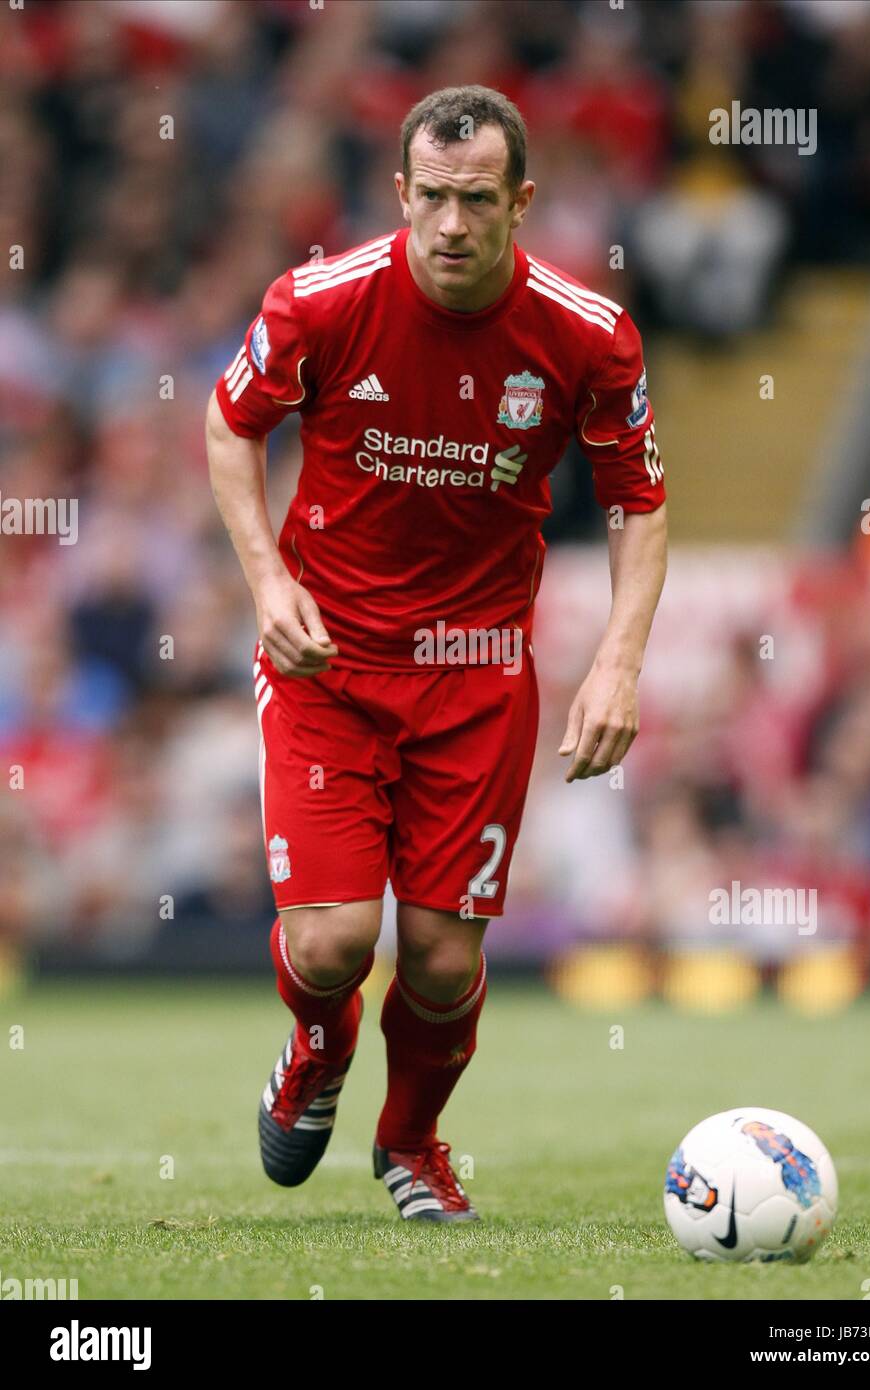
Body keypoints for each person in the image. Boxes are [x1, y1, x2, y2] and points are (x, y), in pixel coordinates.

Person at [205, 85, 667, 1221]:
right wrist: (267, 580)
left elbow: (637, 503)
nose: (451, 225)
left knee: (445, 964)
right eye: (430, 199)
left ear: (521, 199)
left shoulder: (586, 333)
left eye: (476, 200)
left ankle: (410, 1142)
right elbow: (229, 423)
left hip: (476, 671)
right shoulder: (319, 304)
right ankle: (317, 1050)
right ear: (399, 193)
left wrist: (616, 662)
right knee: (329, 943)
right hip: (331, 663)